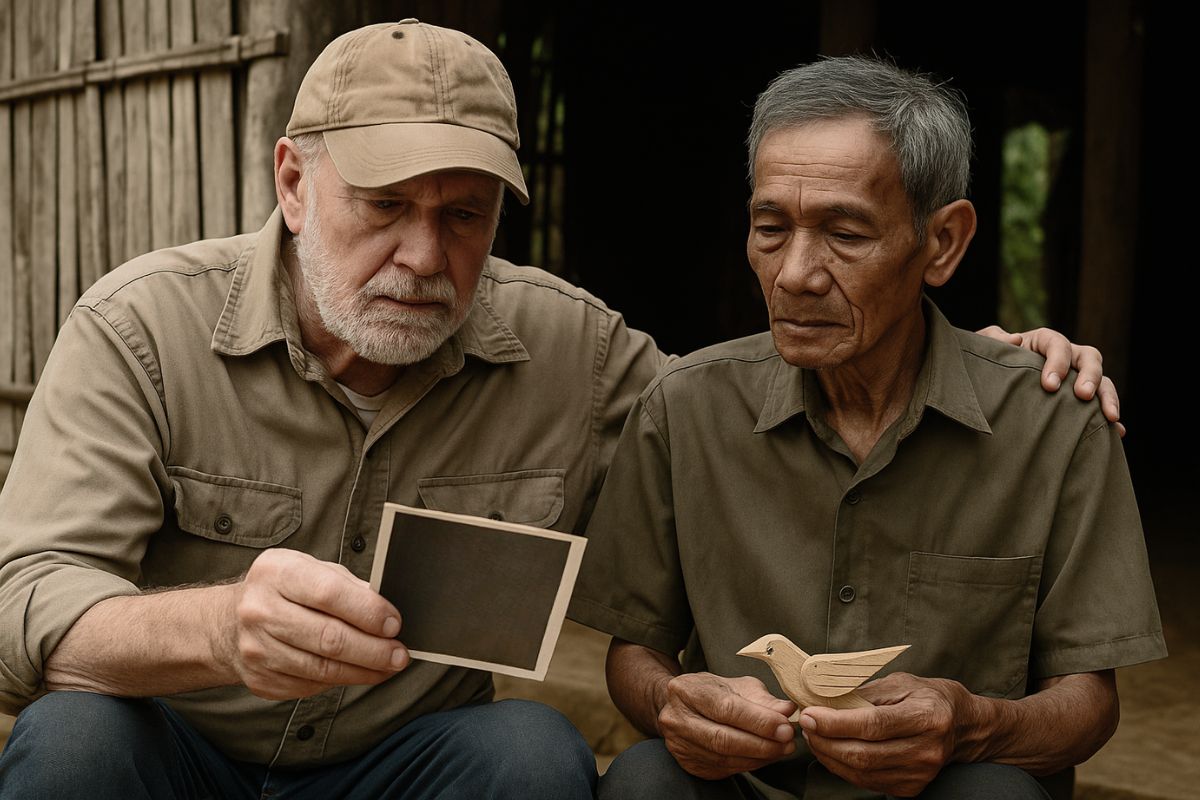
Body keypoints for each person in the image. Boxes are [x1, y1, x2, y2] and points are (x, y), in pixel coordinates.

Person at [0, 22, 1115, 798]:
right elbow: (22, 604)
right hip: (177, 745)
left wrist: (971, 355)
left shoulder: (571, 350)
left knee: (531, 752)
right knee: (73, 736)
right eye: (385, 206)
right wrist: (215, 626)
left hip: (404, 763)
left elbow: (759, 405)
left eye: (467, 214)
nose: (425, 255)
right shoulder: (141, 327)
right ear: (293, 183)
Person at [569, 56, 1165, 800]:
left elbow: (1089, 701)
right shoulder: (685, 408)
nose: (795, 273)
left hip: (942, 787)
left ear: (942, 243)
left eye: (844, 234)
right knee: (646, 778)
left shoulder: (1053, 422)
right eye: (769, 227)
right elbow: (635, 653)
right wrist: (674, 704)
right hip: (746, 787)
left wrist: (970, 722)